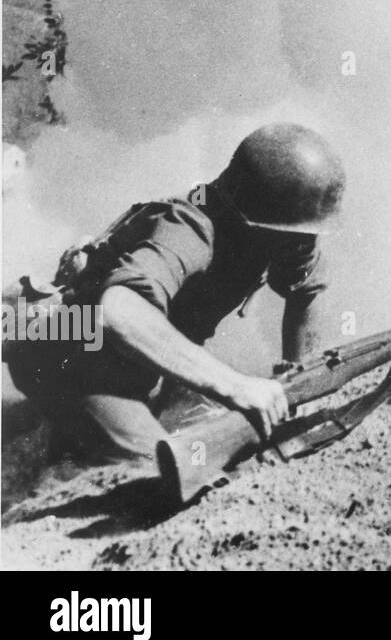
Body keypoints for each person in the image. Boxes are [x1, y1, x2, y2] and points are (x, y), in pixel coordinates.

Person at [3, 123, 344, 464]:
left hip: (140, 355)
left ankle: (78, 434)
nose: (304, 245)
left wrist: (297, 386)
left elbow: (307, 290)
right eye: (295, 235)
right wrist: (237, 386)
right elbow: (119, 312)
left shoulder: (281, 232)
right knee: (166, 465)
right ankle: (60, 438)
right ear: (256, 218)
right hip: (68, 350)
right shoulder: (189, 228)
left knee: (205, 428)